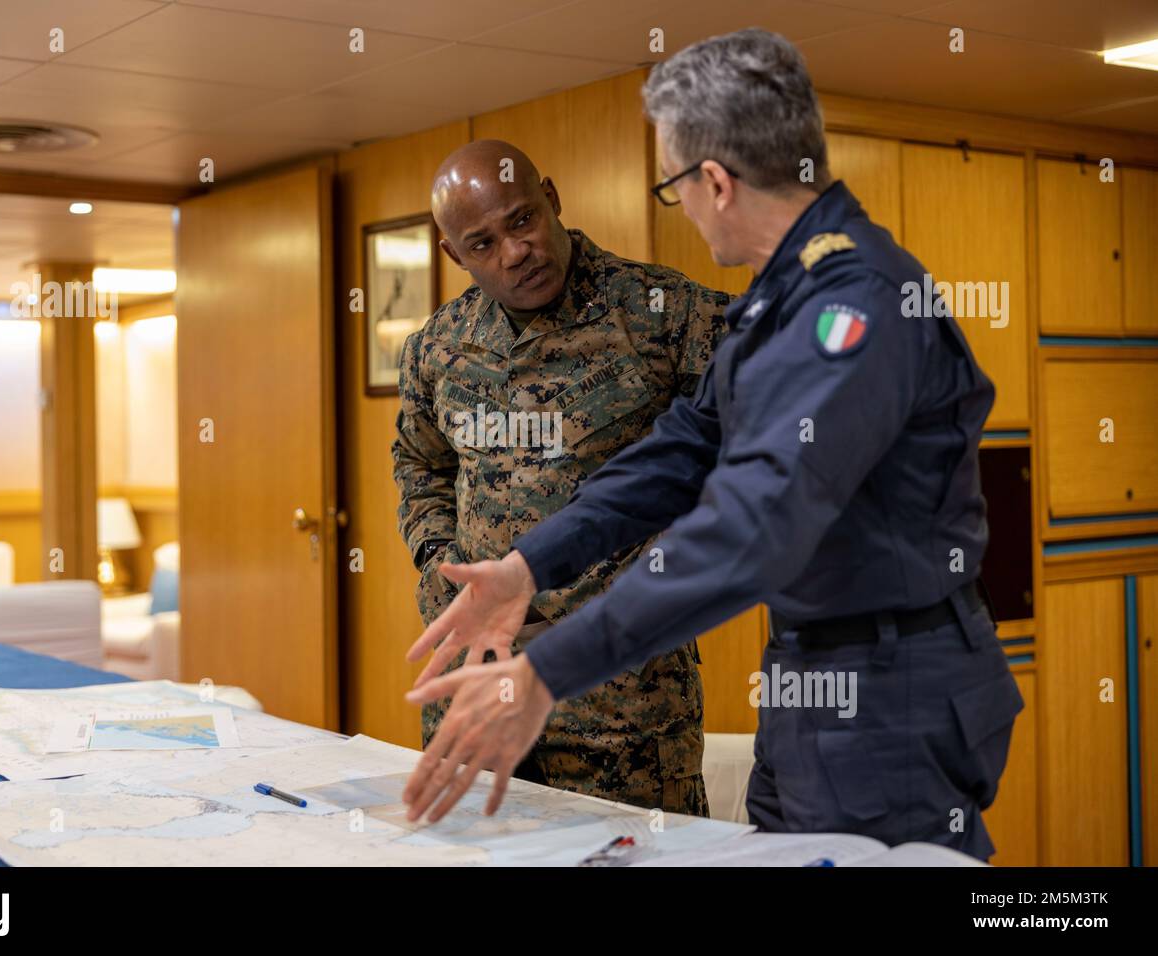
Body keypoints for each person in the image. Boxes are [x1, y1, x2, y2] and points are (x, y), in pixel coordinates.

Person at [401, 30, 1023, 861]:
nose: (683, 210)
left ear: (716, 183)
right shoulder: (781, 297)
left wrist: (545, 671)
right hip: (814, 678)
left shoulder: (857, 304)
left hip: (889, 692)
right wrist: (527, 566)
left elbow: (751, 529)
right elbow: (682, 448)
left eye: (674, 189)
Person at [392, 139, 732, 815]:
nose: (515, 251)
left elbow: (744, 448)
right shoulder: (437, 346)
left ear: (551, 198)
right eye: (482, 243)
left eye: (521, 221)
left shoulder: (667, 315)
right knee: (472, 856)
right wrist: (436, 558)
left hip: (621, 697)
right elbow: (421, 462)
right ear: (455, 256)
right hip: (476, 675)